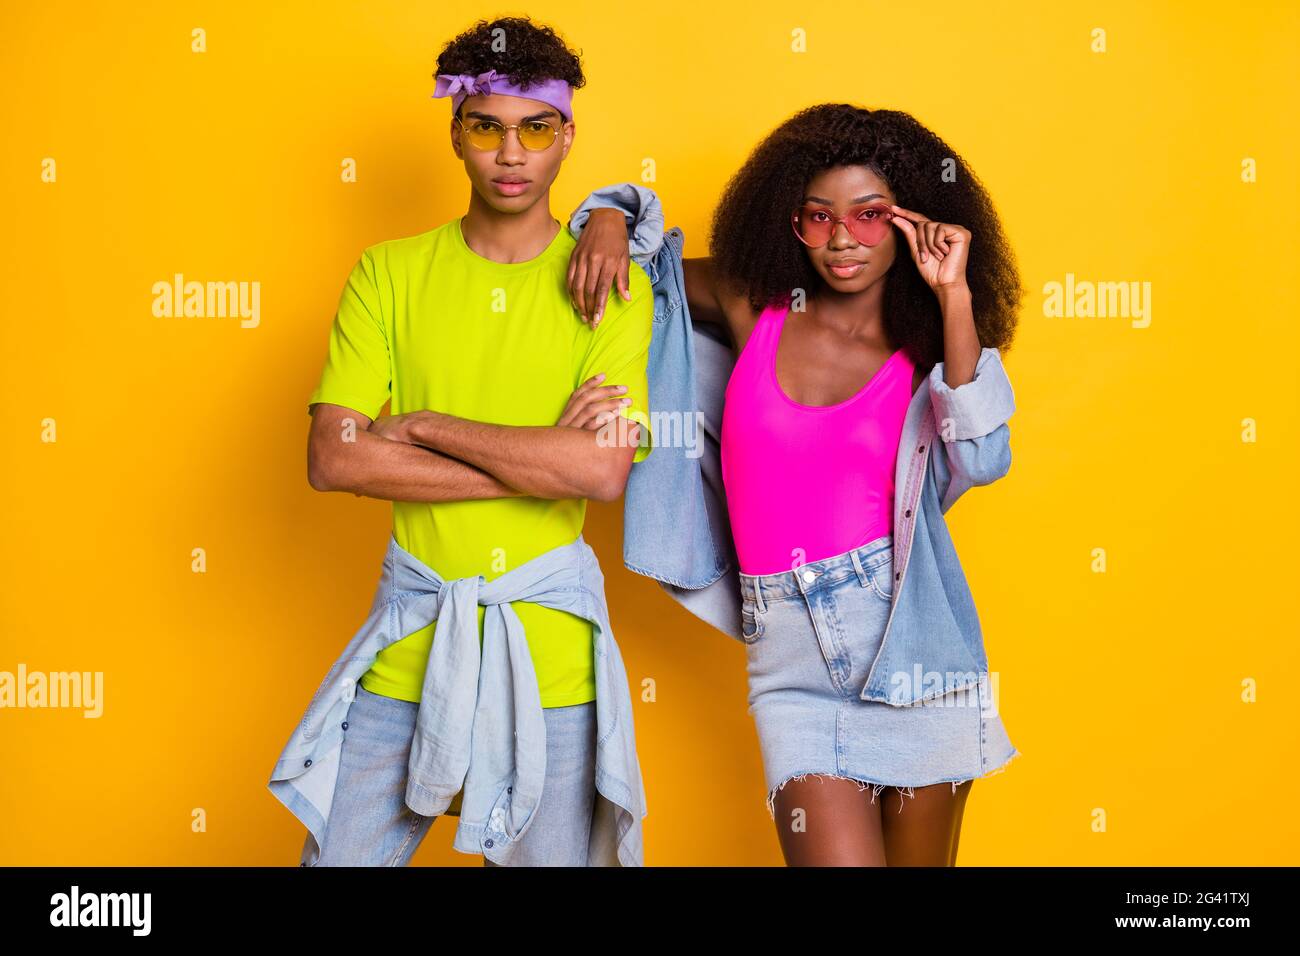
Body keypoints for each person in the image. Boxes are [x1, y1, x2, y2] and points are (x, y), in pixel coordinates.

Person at [564, 103, 1024, 866]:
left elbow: (981, 456)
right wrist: (611, 214)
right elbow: (637, 270)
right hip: (789, 663)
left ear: (913, 221)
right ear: (791, 221)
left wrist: (955, 296)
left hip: (910, 642)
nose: (842, 240)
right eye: (819, 218)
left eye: (871, 216)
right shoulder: (758, 309)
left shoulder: (924, 350)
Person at [267, 15, 653, 867]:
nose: (511, 155)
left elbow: (602, 471)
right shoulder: (388, 272)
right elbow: (334, 458)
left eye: (535, 129)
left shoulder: (614, 289)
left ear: (566, 136)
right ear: (457, 134)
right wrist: (542, 462)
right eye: (487, 127)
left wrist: (426, 428)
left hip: (551, 665)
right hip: (408, 646)